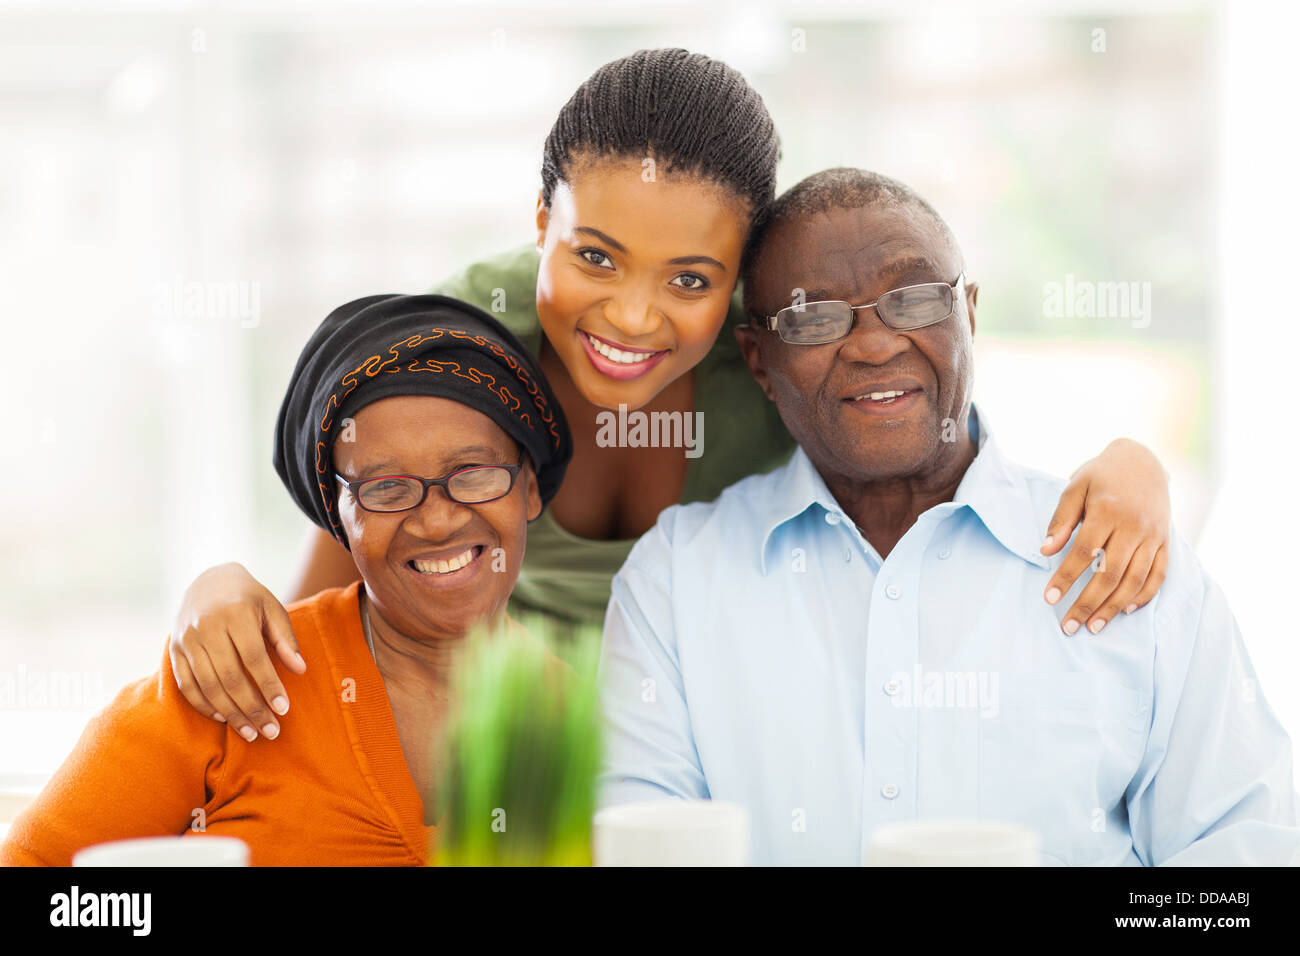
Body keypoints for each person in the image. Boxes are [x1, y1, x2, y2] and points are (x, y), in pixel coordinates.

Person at [166, 48, 1172, 745]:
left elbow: (925, 446)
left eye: (688, 279)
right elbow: (326, 609)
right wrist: (216, 589)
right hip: (492, 763)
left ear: (739, 284)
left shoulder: (772, 359)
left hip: (705, 759)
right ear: (538, 225)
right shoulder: (465, 342)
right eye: (594, 256)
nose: (632, 319)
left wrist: (1132, 464)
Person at [597, 168, 1299, 867]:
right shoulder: (674, 585)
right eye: (814, 316)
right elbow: (641, 846)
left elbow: (1242, 868)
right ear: (759, 359)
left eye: (913, 298)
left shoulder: (1126, 560)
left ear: (968, 311)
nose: (874, 345)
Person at [0, 294, 572, 866]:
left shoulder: (588, 721)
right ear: (340, 520)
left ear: (527, 488)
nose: (437, 519)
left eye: (472, 473)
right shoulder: (232, 680)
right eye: (385, 487)